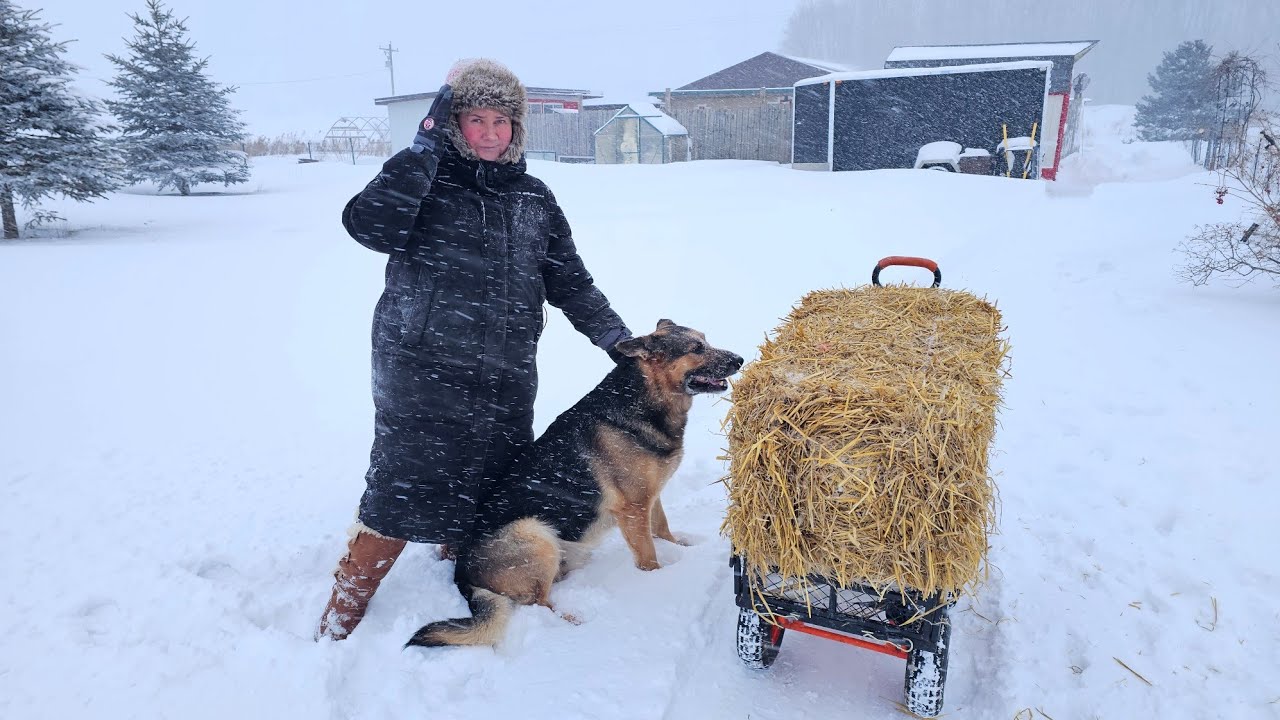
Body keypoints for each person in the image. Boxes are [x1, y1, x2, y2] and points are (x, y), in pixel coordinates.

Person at [316, 59, 631, 641]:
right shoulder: (425, 181)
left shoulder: (533, 197)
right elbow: (369, 227)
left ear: (517, 128)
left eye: (501, 121)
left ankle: (456, 555)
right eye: (475, 119)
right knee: (402, 487)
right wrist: (421, 151)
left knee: (493, 476)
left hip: (505, 371)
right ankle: (346, 603)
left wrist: (615, 336)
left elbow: (569, 279)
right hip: (422, 369)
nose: (489, 133)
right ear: (452, 123)